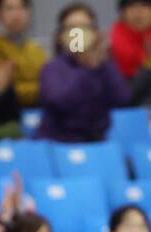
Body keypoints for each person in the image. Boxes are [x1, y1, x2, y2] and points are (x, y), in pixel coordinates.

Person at [35, 4, 128, 142]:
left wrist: (105, 65)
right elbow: (58, 102)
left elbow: (122, 98)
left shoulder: (103, 64)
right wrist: (86, 70)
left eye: (84, 27)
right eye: (71, 28)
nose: (78, 33)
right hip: (59, 142)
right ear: (60, 35)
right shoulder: (52, 68)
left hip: (97, 142)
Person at [0, 0, 47, 107]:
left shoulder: (36, 49)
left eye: (21, 8)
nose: (16, 15)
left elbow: (47, 82)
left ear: (28, 13)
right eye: (9, 9)